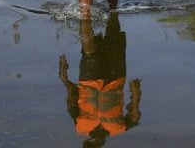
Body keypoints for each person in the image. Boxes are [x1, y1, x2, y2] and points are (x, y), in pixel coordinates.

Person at [59, 14, 142, 145]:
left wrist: (65, 79)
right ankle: (111, 11)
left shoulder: (80, 126)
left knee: (89, 51)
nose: (94, 140)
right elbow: (134, 118)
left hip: (89, 79)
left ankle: (85, 16)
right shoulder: (118, 128)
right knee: (114, 34)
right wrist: (136, 94)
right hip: (115, 78)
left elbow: (71, 102)